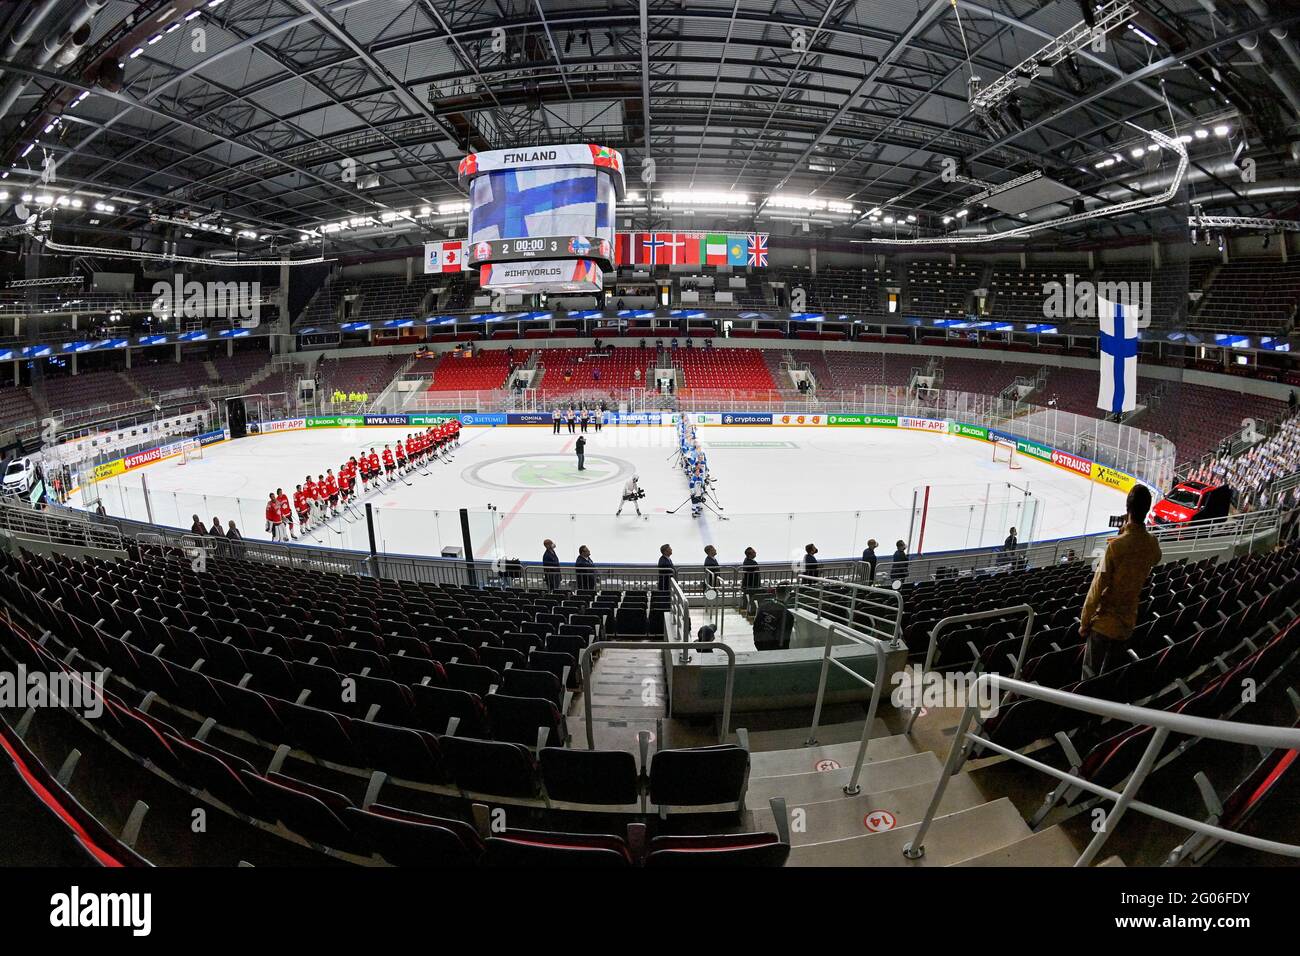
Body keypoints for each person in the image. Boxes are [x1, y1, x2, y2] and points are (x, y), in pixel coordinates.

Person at [1080, 485, 1163, 676]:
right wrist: (1131, 530)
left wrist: (1085, 622)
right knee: (1109, 678)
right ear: (1147, 510)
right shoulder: (1151, 544)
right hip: (1127, 625)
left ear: (1128, 509)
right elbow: (1155, 556)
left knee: (1088, 679)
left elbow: (1097, 588)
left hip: (1104, 626)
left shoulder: (1116, 547)